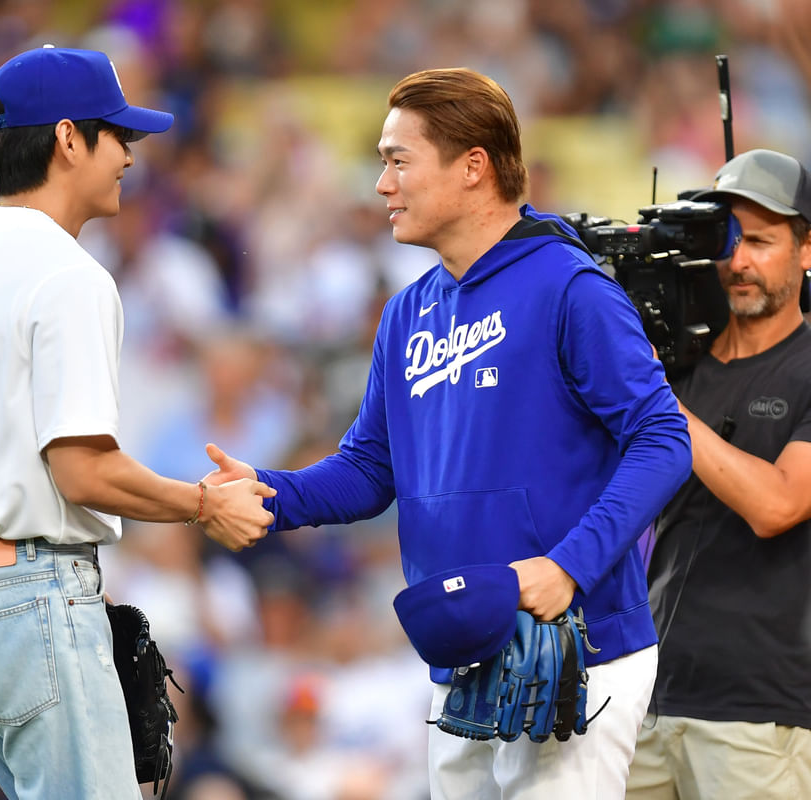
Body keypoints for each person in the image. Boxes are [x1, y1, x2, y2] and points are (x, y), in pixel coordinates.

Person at [203, 67, 692, 799]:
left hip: (574, 651)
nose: (381, 184)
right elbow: (370, 470)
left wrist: (568, 567)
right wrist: (268, 492)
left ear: (473, 167)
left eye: (399, 160)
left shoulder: (571, 287)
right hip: (460, 655)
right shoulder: (408, 312)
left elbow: (663, 439)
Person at [0, 46, 276, 799]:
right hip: (30, 591)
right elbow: (82, 468)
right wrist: (203, 503)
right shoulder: (67, 273)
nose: (130, 154)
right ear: (68, 138)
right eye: (116, 133)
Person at [626, 149, 811, 799]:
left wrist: (658, 401)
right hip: (648, 697)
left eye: (761, 242)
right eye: (729, 240)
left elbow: (779, 505)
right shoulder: (680, 366)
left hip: (759, 715)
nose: (739, 262)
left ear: (806, 250)